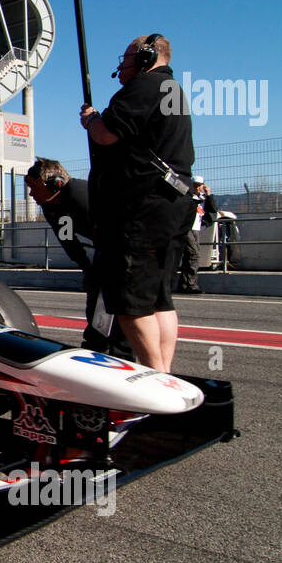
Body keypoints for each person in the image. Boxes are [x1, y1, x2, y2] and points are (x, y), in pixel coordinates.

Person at [80, 33, 194, 372]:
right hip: (172, 205)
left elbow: (106, 134)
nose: (122, 65)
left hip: (142, 210)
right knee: (159, 298)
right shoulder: (173, 91)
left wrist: (91, 119)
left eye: (127, 57)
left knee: (130, 303)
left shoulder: (145, 88)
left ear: (146, 57)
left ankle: (154, 379)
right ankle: (163, 373)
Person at [25, 158, 133, 359]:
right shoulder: (52, 207)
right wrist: (86, 267)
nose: (31, 194)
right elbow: (69, 240)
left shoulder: (83, 195)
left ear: (55, 184)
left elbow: (115, 231)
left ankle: (123, 354)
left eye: (34, 188)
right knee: (95, 296)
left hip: (126, 249)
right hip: (104, 252)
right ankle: (95, 345)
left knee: (118, 303)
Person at [177, 175, 218, 294]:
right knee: (194, 255)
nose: (198, 187)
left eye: (200, 185)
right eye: (195, 185)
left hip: (196, 229)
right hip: (187, 228)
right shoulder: (188, 196)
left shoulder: (203, 198)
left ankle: (184, 284)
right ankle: (191, 284)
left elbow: (213, 209)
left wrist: (209, 195)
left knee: (189, 256)